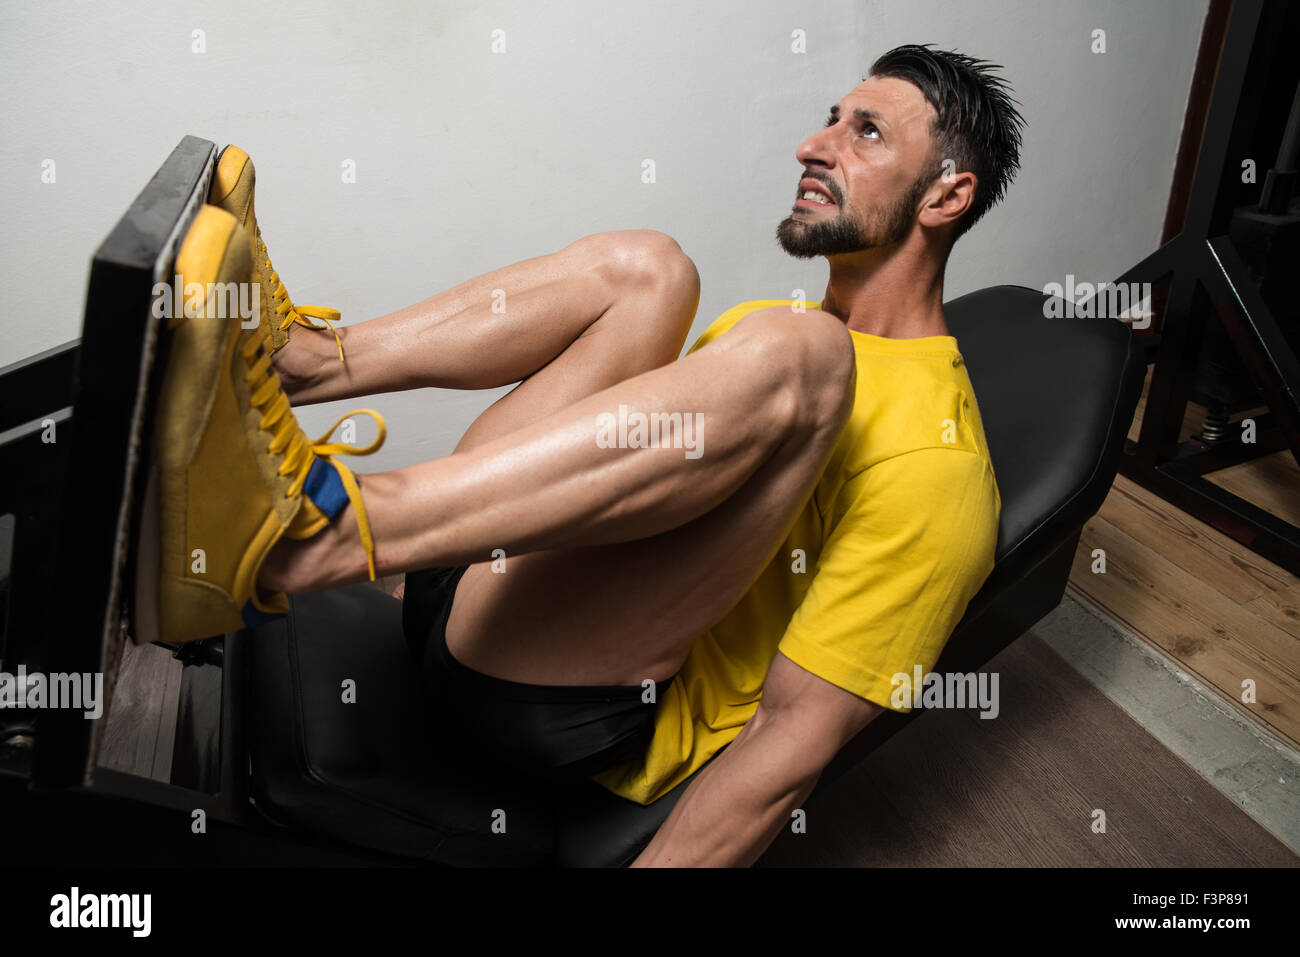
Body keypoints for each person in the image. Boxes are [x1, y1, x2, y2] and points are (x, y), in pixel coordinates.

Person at [145, 43, 1022, 866]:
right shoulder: (792, 342)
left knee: (801, 354)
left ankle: (317, 531)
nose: (812, 144)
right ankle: (302, 362)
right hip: (473, 591)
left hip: (569, 710)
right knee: (653, 268)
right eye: (831, 117)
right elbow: (618, 492)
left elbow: (791, 744)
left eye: (864, 132)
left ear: (946, 197)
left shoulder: (934, 464)